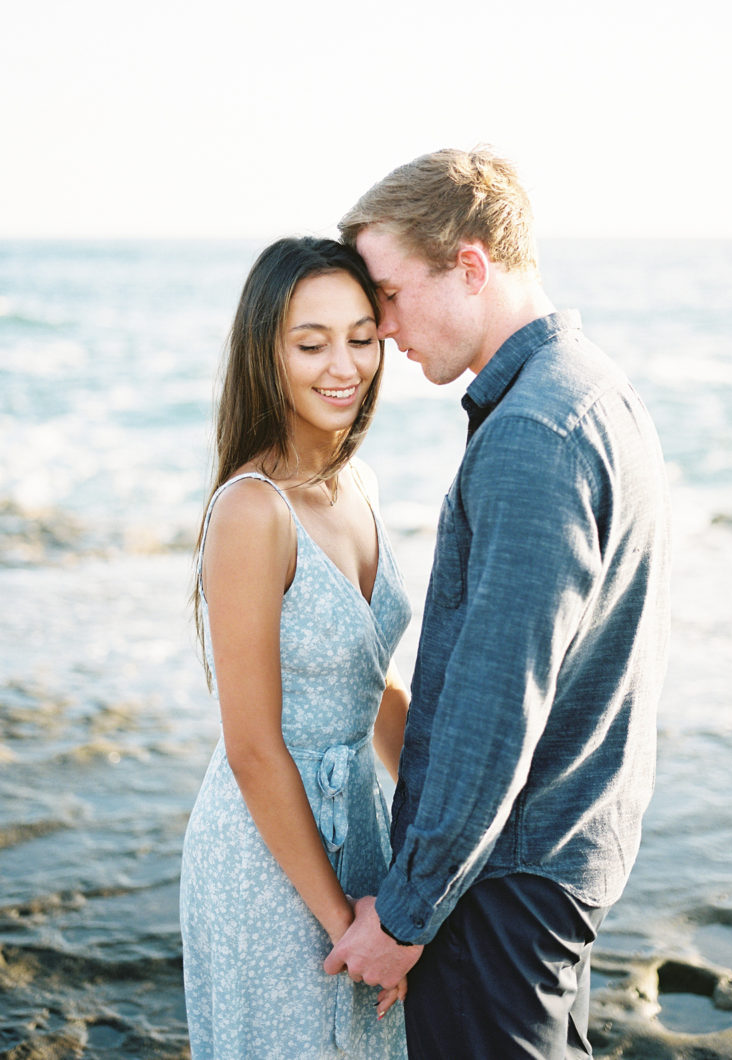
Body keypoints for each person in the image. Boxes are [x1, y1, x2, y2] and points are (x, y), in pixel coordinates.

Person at [324, 148, 671, 1058]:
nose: (383, 327)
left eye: (392, 294)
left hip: (506, 879)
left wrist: (405, 916)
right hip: (552, 858)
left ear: (470, 268)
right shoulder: (591, 391)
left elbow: (495, 708)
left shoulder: (533, 436)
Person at [180, 236, 412, 1058]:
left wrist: (447, 827)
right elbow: (251, 748)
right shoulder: (252, 511)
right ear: (266, 353)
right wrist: (346, 923)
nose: (343, 365)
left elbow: (370, 684)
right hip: (268, 856)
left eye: (362, 336)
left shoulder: (360, 483)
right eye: (311, 344)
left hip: (363, 826)